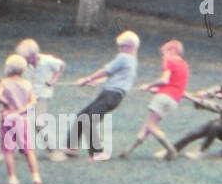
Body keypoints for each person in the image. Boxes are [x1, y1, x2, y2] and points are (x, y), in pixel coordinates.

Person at [65, 31, 139, 160]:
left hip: (111, 95)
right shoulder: (133, 61)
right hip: (111, 95)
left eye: (122, 46)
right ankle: (71, 148)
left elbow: (106, 71)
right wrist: (95, 81)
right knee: (81, 117)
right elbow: (115, 76)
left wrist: (88, 79)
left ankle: (98, 153)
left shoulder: (124, 57)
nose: (120, 49)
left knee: (88, 120)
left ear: (130, 46)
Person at [121, 40, 187, 160]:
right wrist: (155, 89)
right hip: (174, 101)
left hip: (163, 98)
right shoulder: (184, 65)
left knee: (151, 126)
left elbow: (164, 80)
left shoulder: (170, 61)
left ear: (173, 51)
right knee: (149, 126)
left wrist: (148, 85)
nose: (163, 56)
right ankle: (128, 150)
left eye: (164, 53)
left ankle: (171, 150)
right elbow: (174, 85)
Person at [0, 54, 41, 184]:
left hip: (8, 119)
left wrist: (6, 103)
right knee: (28, 150)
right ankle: (36, 177)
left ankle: (12, 178)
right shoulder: (27, 84)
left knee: (8, 150)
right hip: (22, 120)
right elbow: (33, 101)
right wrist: (22, 110)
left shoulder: (4, 83)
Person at [16, 39, 65, 161]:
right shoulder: (22, 63)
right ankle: (8, 151)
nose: (24, 60)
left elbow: (61, 66)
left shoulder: (48, 60)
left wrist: (53, 79)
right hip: (27, 94)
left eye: (26, 58)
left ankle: (54, 151)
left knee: (39, 121)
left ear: (34, 55)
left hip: (42, 94)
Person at [174, 81, 222, 159]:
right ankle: (174, 148)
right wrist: (206, 94)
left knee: (216, 126)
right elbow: (217, 89)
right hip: (220, 122)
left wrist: (191, 98)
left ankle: (201, 151)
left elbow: (215, 107)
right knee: (194, 133)